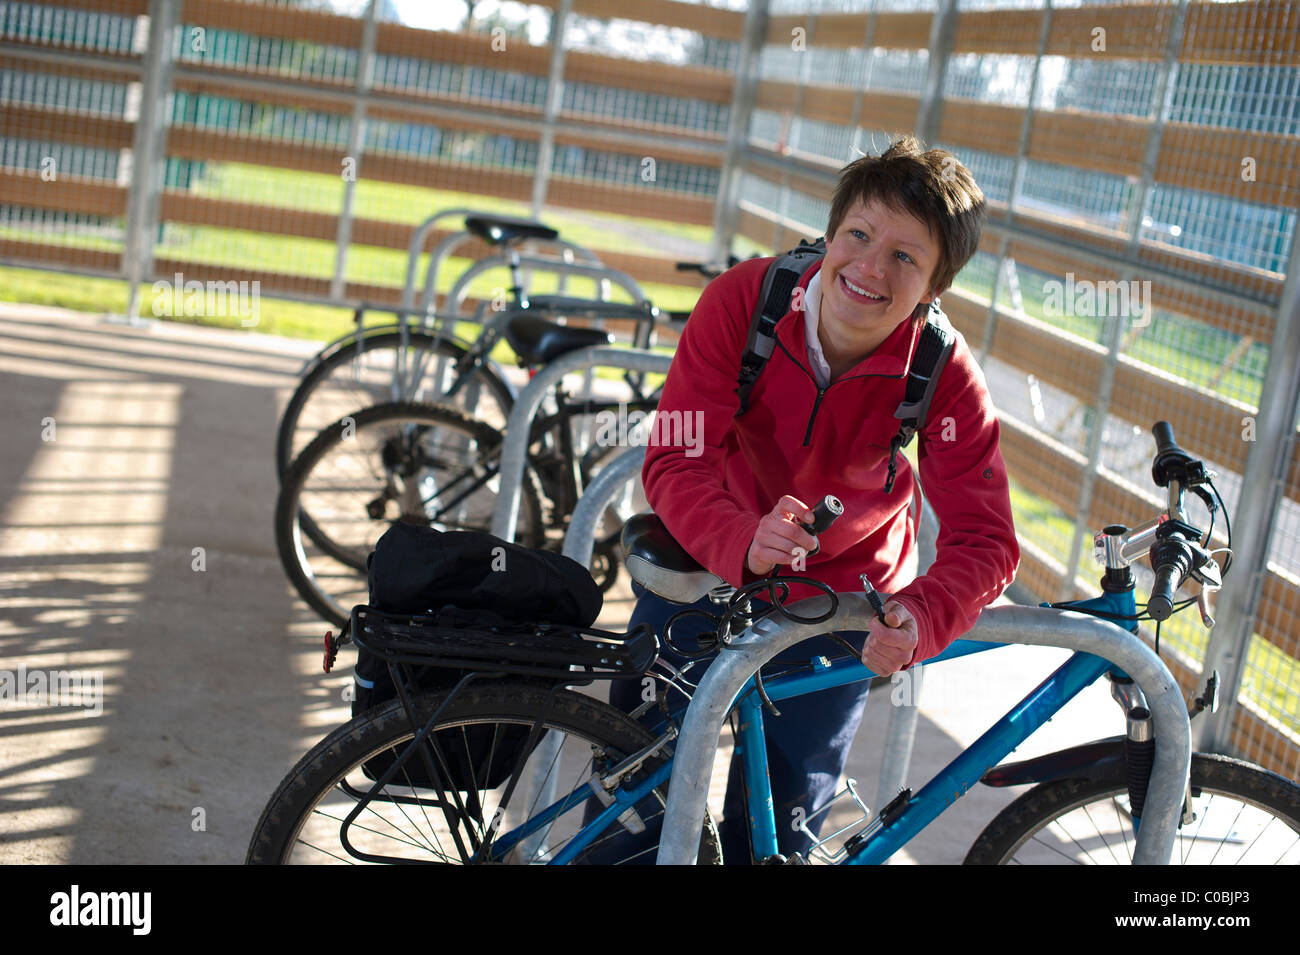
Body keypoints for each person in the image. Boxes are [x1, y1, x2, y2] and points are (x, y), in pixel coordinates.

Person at [614, 135, 1020, 863]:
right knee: (636, 785)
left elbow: (987, 541)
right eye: (859, 235)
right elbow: (676, 455)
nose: (870, 267)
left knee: (783, 819)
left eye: (905, 256)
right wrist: (741, 537)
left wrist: (922, 615)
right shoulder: (742, 300)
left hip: (843, 592)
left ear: (934, 287)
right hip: (708, 560)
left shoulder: (943, 371)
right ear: (830, 235)